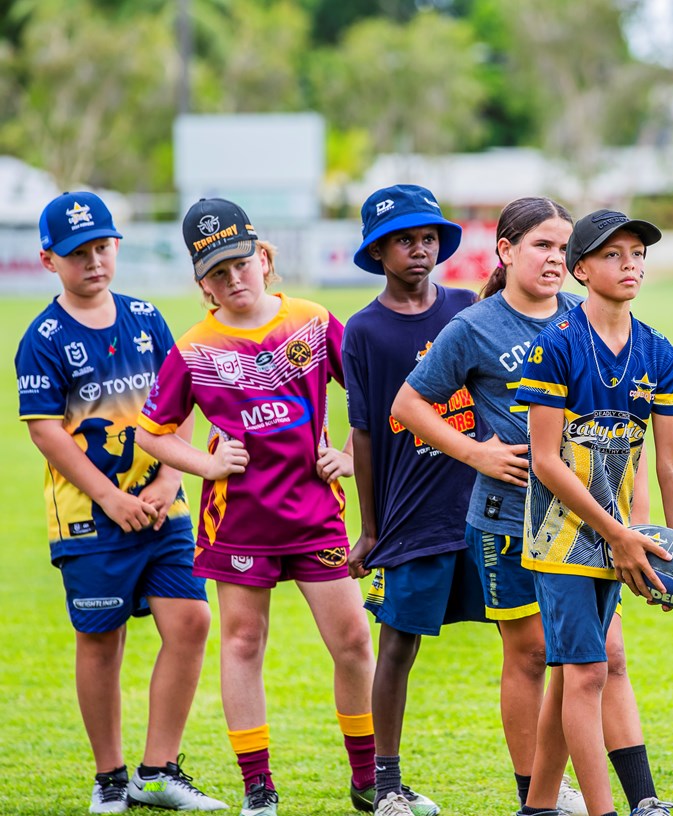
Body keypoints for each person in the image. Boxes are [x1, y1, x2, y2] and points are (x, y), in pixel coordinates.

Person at [393, 197, 649, 816]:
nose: (556, 259)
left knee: (604, 654)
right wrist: (475, 453)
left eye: (564, 248)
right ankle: (536, 792)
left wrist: (631, 510)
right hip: (507, 521)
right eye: (541, 245)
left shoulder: (586, 318)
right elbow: (408, 406)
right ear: (505, 251)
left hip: (585, 519)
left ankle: (641, 799)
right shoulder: (474, 327)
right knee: (533, 655)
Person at [135, 198, 377, 816]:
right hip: (237, 522)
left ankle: (369, 779)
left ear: (264, 259)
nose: (233, 279)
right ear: (202, 283)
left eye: (241, 263)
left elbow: (376, 393)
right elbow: (151, 432)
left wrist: (349, 453)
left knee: (352, 641)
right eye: (217, 272)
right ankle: (258, 789)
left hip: (316, 515)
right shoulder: (193, 348)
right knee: (243, 643)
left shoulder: (314, 322)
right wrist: (208, 465)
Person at [15, 191, 226, 814]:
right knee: (100, 638)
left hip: (163, 507)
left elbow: (176, 404)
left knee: (191, 622)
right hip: (89, 516)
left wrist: (166, 483)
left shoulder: (146, 316)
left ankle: (157, 772)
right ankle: (109, 779)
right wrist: (108, 495)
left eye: (103, 248)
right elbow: (45, 430)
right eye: (78, 253)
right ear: (50, 261)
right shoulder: (44, 337)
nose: (95, 262)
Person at [513, 209, 673, 816]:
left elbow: (670, 463)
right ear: (581, 269)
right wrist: (616, 533)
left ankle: (537, 806)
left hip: (623, 539)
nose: (630, 265)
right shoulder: (554, 348)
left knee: (571, 673)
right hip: (562, 538)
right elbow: (545, 462)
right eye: (614, 255)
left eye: (638, 254)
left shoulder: (658, 350)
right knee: (588, 672)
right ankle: (604, 811)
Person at [342, 184, 487, 816]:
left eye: (429, 238)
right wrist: (370, 528)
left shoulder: (466, 306)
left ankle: (539, 780)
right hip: (412, 513)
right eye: (405, 240)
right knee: (398, 644)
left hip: (482, 503)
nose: (420, 250)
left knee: (528, 641)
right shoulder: (364, 331)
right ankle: (386, 782)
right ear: (378, 252)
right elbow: (366, 432)